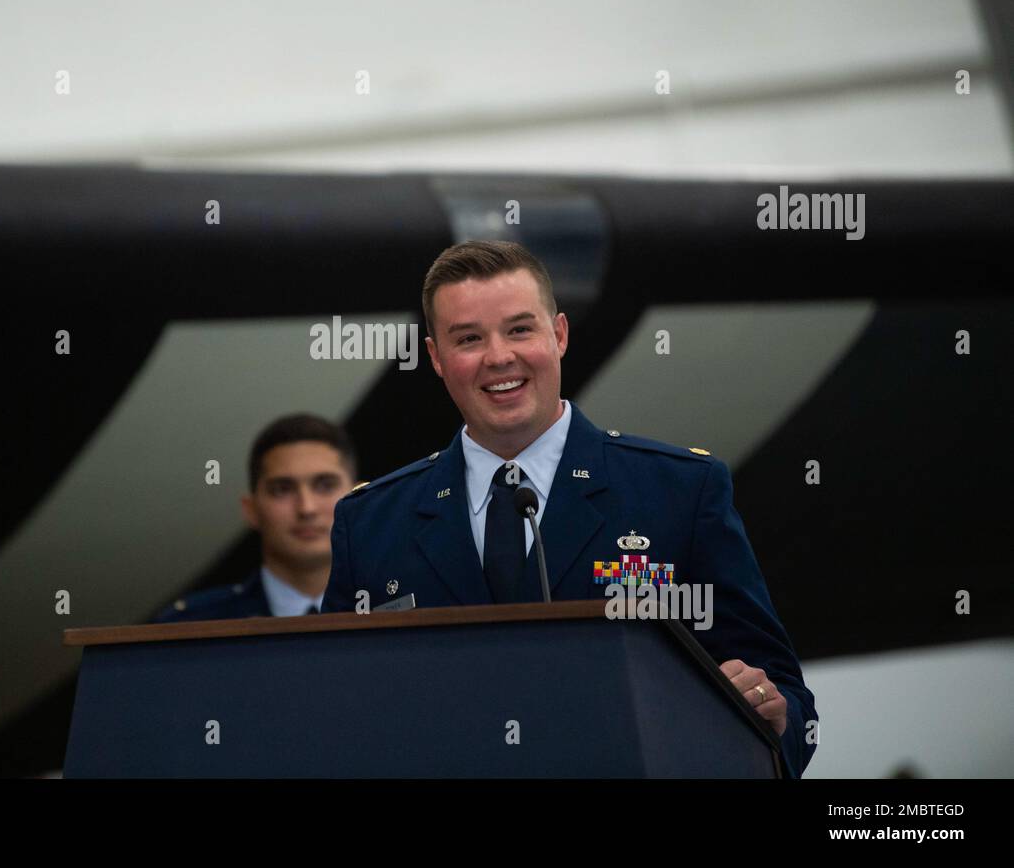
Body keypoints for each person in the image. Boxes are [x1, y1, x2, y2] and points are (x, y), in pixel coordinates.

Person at [322, 240, 818, 778]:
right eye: (469, 338)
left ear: (558, 335)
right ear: (436, 358)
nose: (499, 357)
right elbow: (334, 713)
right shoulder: (370, 524)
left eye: (519, 329)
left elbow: (784, 698)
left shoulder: (679, 491)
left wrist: (774, 716)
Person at [157, 414, 356, 622]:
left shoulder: (388, 614)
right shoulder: (190, 625)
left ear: (359, 500)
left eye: (325, 485)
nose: (307, 508)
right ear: (251, 510)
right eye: (282, 489)